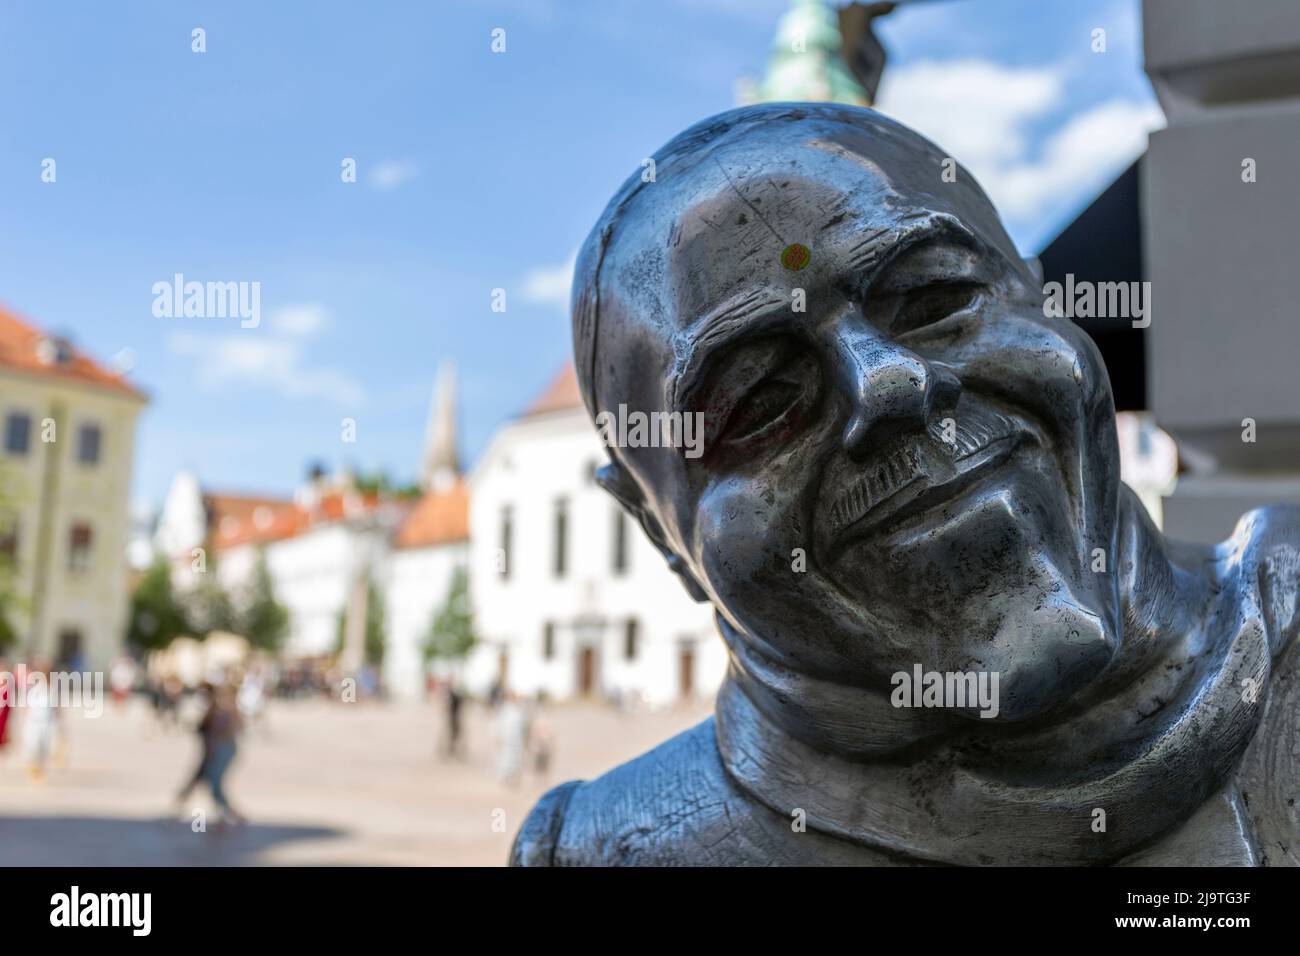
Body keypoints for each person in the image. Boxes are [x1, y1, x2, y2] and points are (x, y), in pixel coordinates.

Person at [513, 103, 1300, 866]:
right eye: (758, 398)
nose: (889, 383)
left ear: (1044, 304)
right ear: (660, 534)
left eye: (935, 298)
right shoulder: (606, 850)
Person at [176, 682, 245, 824]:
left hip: (220, 750)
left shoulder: (223, 708)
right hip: (215, 749)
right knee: (206, 778)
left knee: (213, 781)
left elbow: (229, 729)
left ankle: (229, 812)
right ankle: (227, 812)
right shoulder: (215, 708)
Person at [493, 690, 527, 786]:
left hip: (517, 739)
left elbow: (523, 726)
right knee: (506, 758)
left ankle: (514, 779)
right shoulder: (505, 710)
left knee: (517, 759)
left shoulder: (519, 709)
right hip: (507, 739)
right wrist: (498, 736)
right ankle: (505, 778)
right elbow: (499, 724)